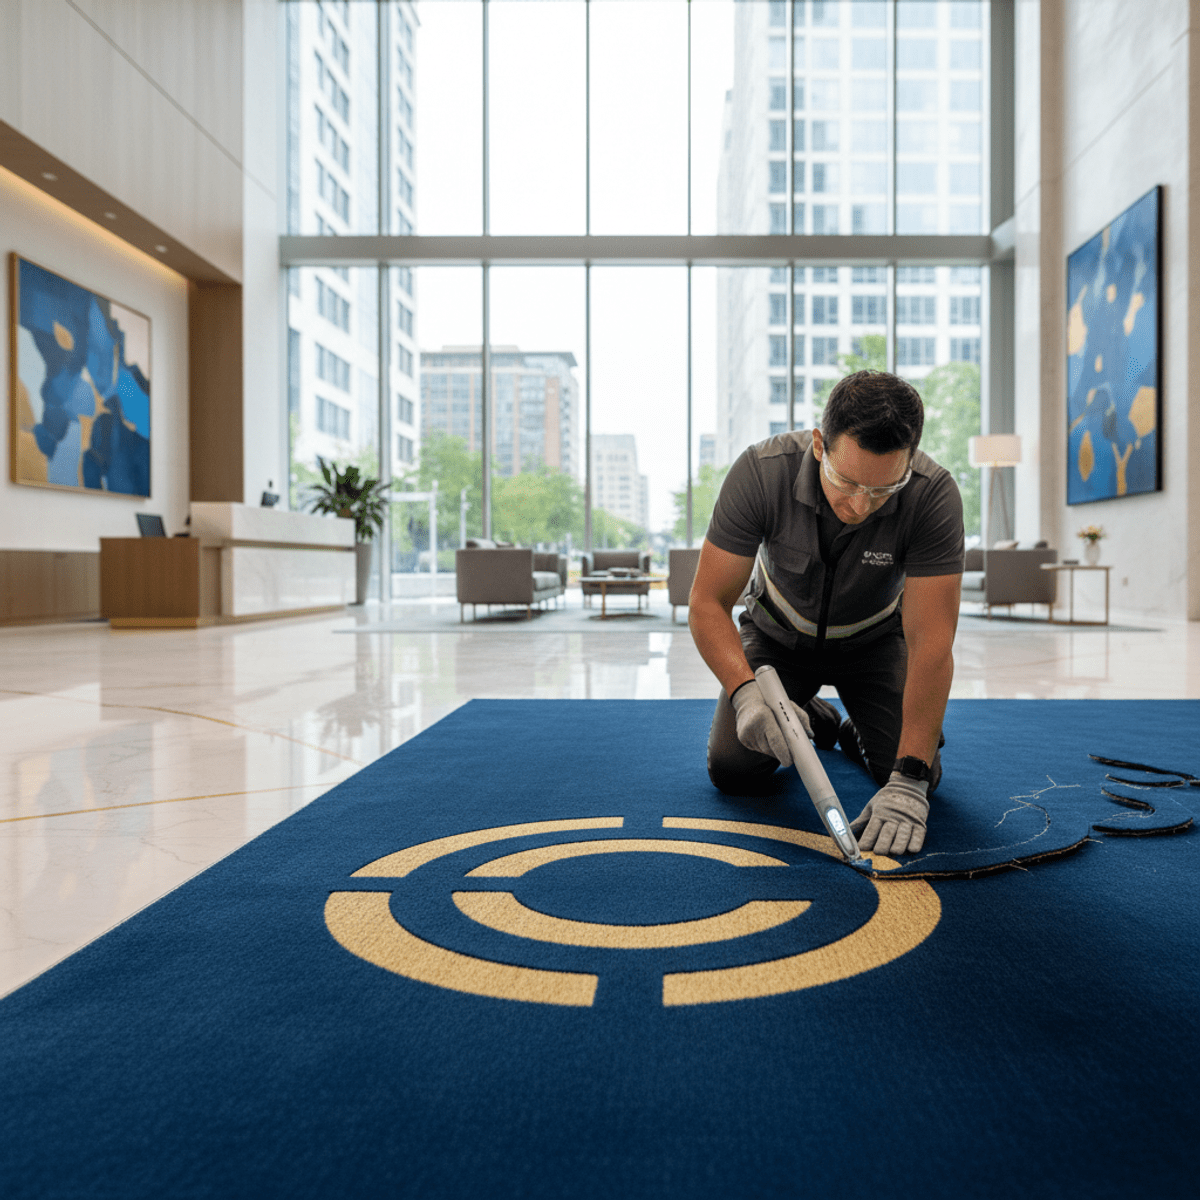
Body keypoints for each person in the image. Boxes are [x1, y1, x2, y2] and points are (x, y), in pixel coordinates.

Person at [688, 370, 964, 856]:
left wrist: (910, 776)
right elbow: (707, 603)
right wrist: (747, 694)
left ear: (909, 463)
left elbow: (931, 643)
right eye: (847, 481)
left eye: (884, 489)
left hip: (875, 644)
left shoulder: (932, 494)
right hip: (776, 641)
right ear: (820, 444)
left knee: (917, 775)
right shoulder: (760, 471)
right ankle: (808, 710)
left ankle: (853, 727)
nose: (860, 505)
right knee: (733, 769)